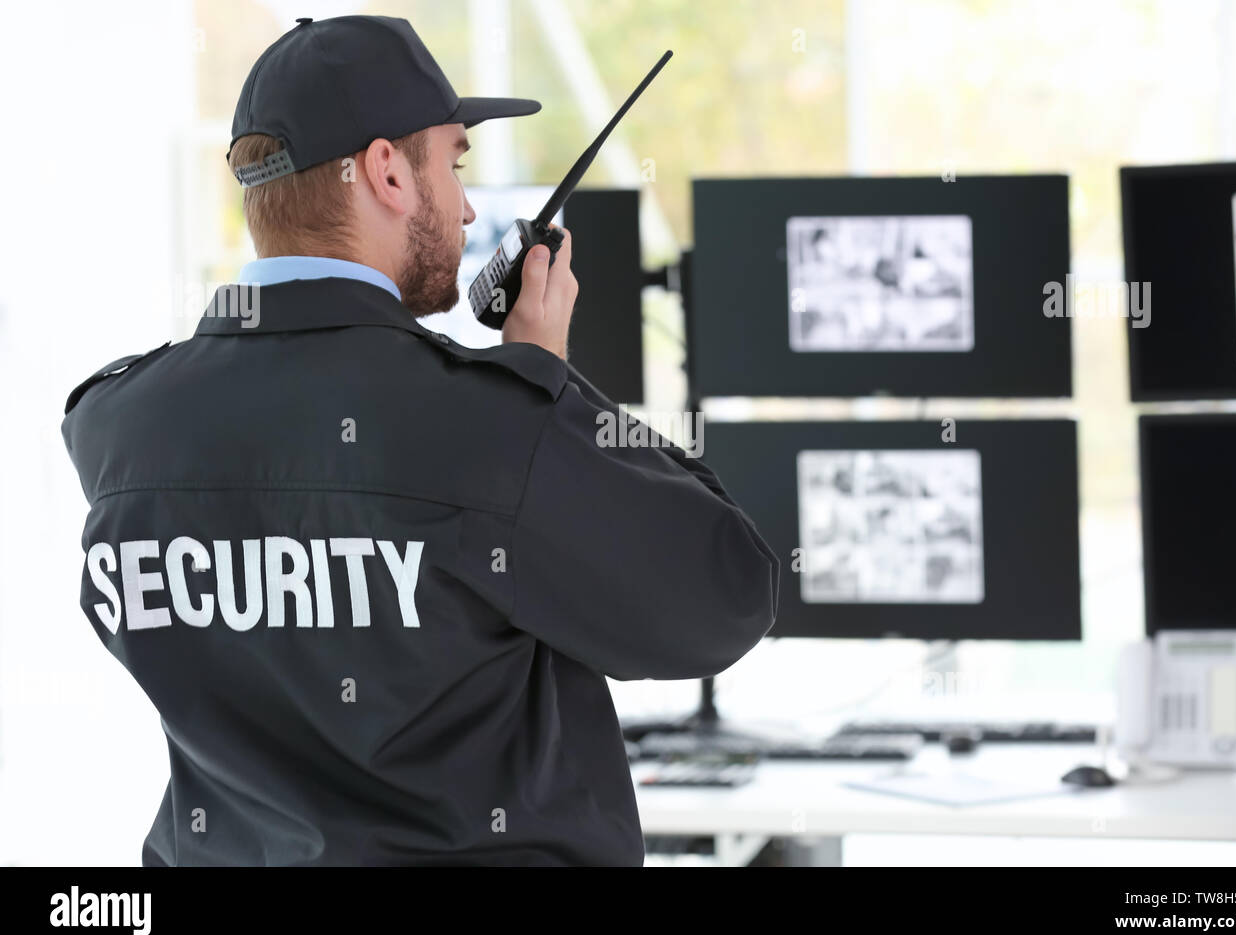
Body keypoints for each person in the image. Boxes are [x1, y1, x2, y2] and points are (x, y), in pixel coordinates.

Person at [60, 15, 778, 866]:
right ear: (387, 171)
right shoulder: (488, 426)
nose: (469, 205)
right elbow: (727, 595)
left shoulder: (114, 427)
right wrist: (543, 385)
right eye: (455, 162)